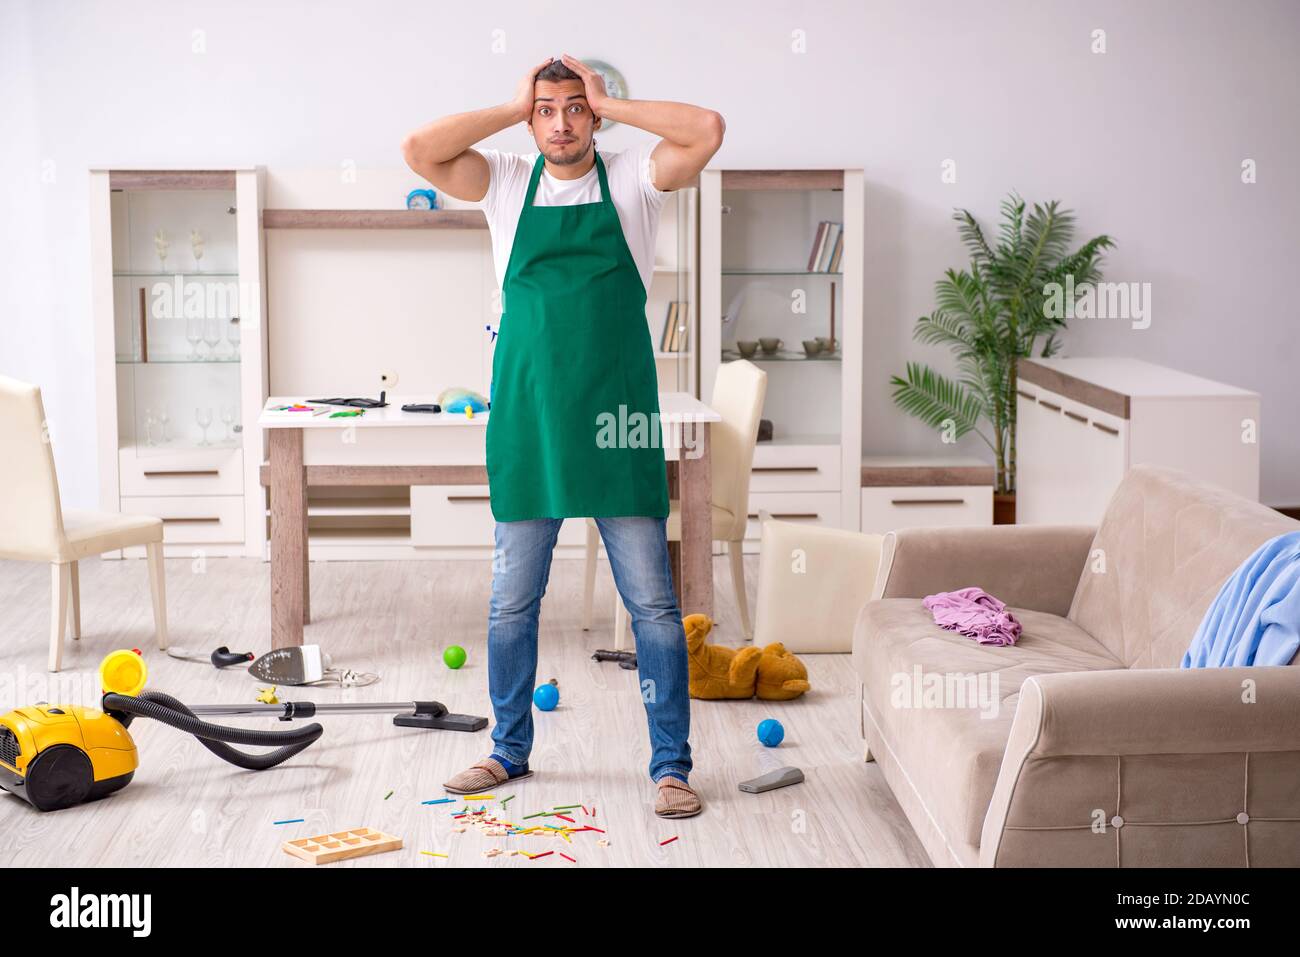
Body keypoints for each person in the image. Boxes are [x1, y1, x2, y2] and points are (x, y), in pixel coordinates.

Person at [401, 54, 725, 818]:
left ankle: (671, 767)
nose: (560, 122)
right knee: (512, 601)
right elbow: (420, 150)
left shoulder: (637, 178)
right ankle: (508, 750)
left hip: (619, 420)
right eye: (546, 109)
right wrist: (511, 105)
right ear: (531, 116)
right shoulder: (509, 179)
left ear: (595, 115)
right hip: (530, 417)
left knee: (651, 603)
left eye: (574, 108)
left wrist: (614, 99)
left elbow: (707, 130)